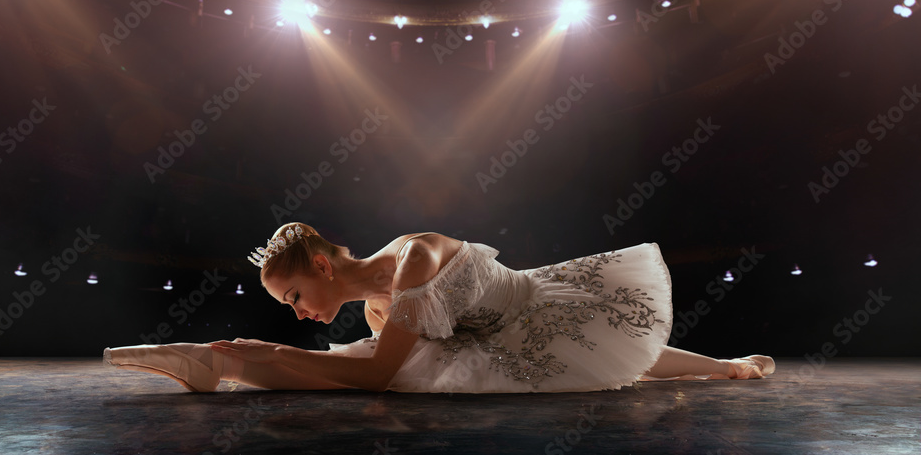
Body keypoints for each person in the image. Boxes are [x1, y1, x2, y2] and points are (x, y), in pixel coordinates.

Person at [104, 222, 774, 392]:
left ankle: (727, 366)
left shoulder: (412, 262)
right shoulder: (373, 312)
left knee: (621, 351)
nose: (299, 310)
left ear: (321, 265)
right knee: (367, 359)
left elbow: (375, 378)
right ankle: (214, 362)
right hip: (498, 336)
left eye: (296, 296)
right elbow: (375, 363)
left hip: (537, 306)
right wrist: (259, 353)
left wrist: (266, 355)